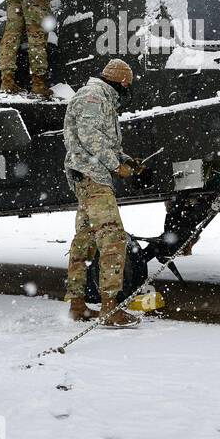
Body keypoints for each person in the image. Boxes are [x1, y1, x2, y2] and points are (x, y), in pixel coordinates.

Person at [62, 58, 144, 328]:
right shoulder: (94, 96)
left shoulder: (97, 96)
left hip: (87, 177)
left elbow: (101, 138)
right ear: (121, 82)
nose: (128, 91)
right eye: (127, 86)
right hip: (94, 178)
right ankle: (111, 308)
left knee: (84, 242)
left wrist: (126, 159)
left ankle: (76, 305)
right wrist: (115, 166)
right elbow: (90, 137)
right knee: (113, 240)